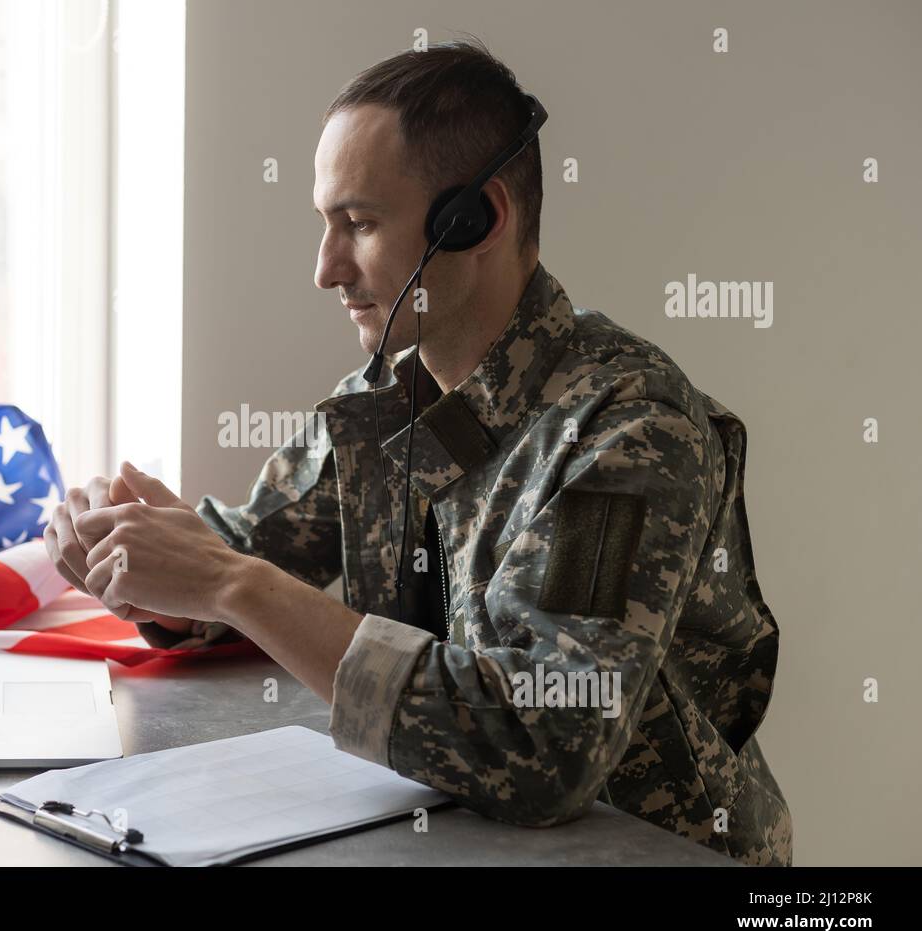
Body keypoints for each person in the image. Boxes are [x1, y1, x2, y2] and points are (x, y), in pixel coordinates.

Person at [45, 39, 792, 866]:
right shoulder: (391, 398)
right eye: (326, 224)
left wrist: (228, 582)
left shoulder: (626, 432)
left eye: (359, 224)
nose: (326, 269)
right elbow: (254, 550)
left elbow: (544, 740)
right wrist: (138, 558)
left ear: (477, 220)